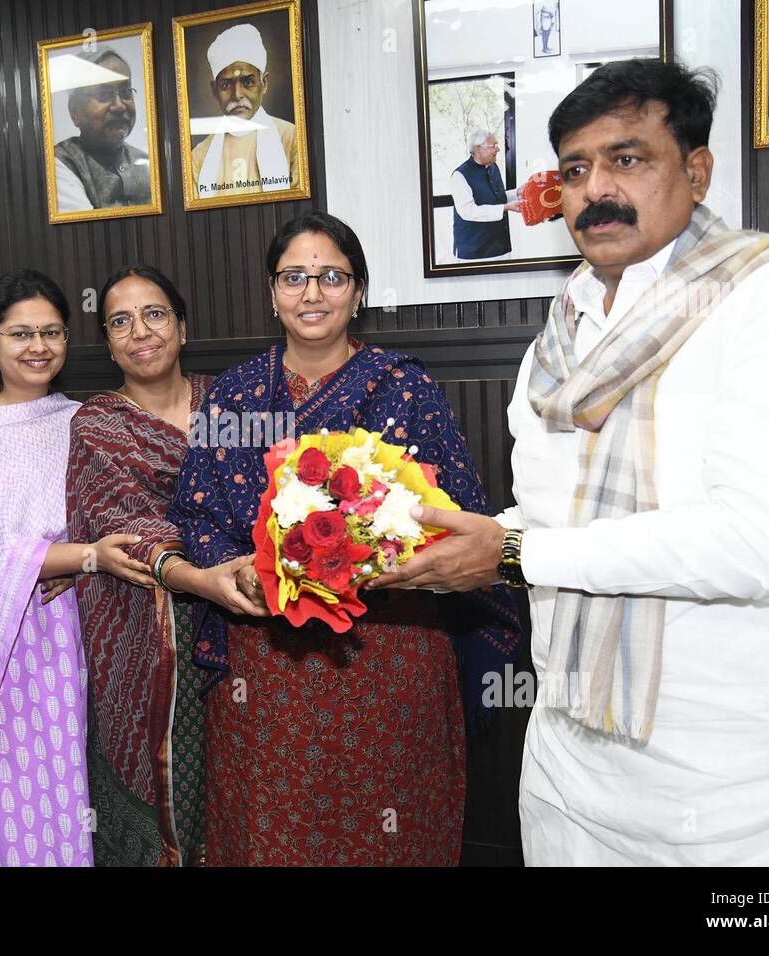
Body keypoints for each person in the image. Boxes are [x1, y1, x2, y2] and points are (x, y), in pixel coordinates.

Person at [373, 58, 769, 865]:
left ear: (696, 170)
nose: (594, 189)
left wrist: (507, 553)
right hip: (570, 781)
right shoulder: (561, 333)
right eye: (575, 169)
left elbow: (757, 545)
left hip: (748, 800)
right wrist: (460, 540)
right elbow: (557, 522)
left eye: (628, 158)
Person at [166, 211, 522, 866]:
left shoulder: (403, 386)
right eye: (294, 277)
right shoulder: (234, 397)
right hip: (269, 662)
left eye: (331, 276)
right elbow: (198, 516)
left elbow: (460, 517)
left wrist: (382, 552)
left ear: (357, 290)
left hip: (390, 654)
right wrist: (240, 566)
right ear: (271, 292)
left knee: (394, 834)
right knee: (277, 832)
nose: (312, 293)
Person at [0, 270, 151, 867]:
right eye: (20, 332)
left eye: (51, 332)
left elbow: (110, 525)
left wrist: (85, 560)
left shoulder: (83, 422)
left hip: (62, 641)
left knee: (57, 788)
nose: (38, 347)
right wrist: (84, 558)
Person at [68, 265, 264, 866]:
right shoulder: (97, 423)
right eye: (120, 322)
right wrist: (199, 574)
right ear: (107, 342)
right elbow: (128, 532)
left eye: (154, 314)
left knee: (249, 787)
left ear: (182, 326)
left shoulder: (230, 402)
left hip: (255, 621)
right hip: (149, 639)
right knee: (173, 791)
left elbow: (275, 495)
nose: (140, 332)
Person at [190, 23, 300, 200]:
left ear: (264, 83)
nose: (237, 95)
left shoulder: (292, 138)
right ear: (214, 90)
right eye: (226, 85)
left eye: (248, 82)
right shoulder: (198, 156)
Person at [53, 49, 153, 212]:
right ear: (75, 112)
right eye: (104, 95)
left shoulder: (147, 162)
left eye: (126, 93)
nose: (119, 106)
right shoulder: (60, 163)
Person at [450, 130, 523, 261]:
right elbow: (468, 211)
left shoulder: (493, 167)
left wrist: (518, 192)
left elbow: (496, 198)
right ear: (478, 149)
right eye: (493, 146)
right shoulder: (460, 175)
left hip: (501, 247)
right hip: (475, 252)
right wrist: (505, 208)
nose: (498, 149)